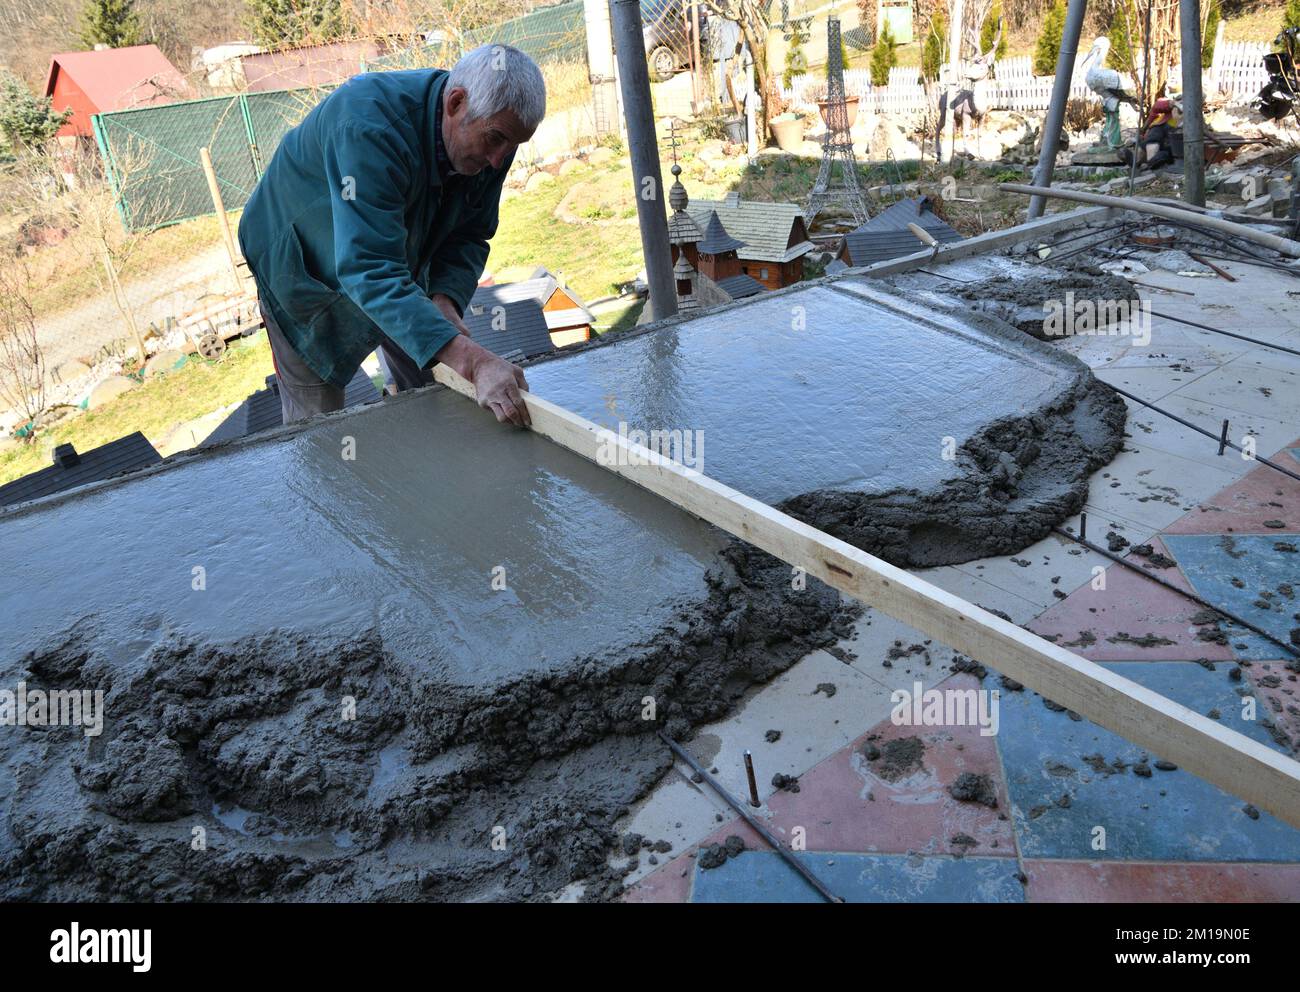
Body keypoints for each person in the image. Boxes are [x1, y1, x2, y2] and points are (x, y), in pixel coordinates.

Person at [237, 44, 546, 427]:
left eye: (513, 145)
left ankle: (433, 464)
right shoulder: (369, 128)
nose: (500, 160)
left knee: (435, 366)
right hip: (296, 259)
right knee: (320, 423)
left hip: (388, 247)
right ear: (455, 103)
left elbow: (469, 233)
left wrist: (444, 300)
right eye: (496, 139)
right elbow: (368, 269)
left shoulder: (497, 133)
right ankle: (331, 470)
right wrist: (476, 361)